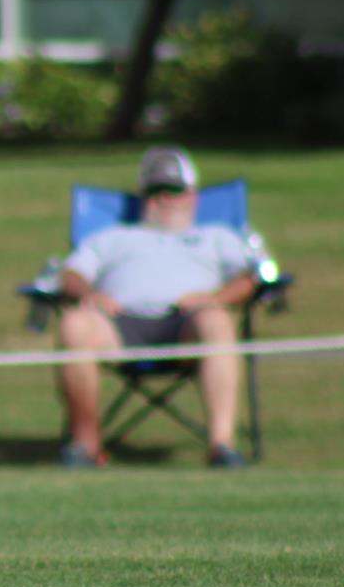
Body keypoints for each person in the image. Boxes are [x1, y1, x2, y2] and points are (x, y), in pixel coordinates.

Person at [54, 145, 258, 469]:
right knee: (74, 323)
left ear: (192, 195)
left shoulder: (217, 236)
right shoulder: (112, 237)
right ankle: (84, 446)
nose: (164, 199)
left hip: (187, 326)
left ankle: (222, 446)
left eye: (173, 190)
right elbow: (71, 274)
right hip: (119, 324)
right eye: (154, 191)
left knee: (217, 321)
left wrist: (213, 300)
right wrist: (89, 294)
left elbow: (248, 280)